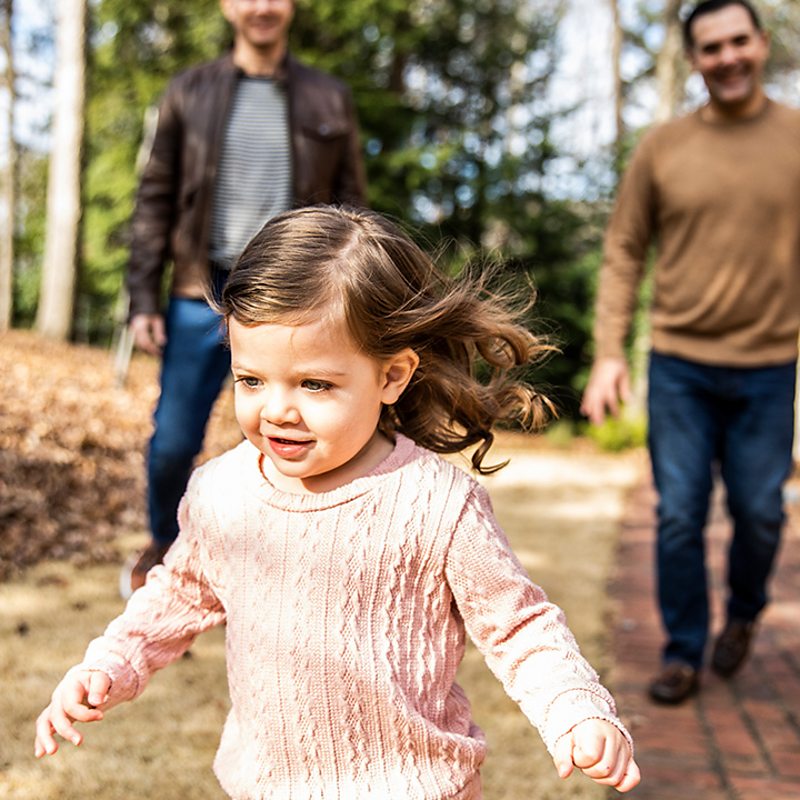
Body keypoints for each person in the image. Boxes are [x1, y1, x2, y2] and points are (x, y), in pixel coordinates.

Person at [36, 206, 641, 797]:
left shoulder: (436, 503)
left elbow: (519, 626)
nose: (277, 409)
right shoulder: (223, 491)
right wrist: (111, 662)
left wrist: (575, 710)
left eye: (314, 384)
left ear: (391, 376)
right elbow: (179, 594)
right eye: (252, 379)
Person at [581, 0, 800, 705]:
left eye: (739, 41)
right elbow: (622, 250)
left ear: (762, 45)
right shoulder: (662, 147)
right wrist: (610, 353)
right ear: (695, 58)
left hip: (770, 364)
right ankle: (682, 652)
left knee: (761, 511)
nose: (728, 57)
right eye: (711, 48)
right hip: (680, 364)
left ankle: (741, 614)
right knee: (678, 514)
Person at [121, 0, 366, 596]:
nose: (262, 7)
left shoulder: (327, 98)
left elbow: (353, 205)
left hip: (291, 294)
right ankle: (165, 546)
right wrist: (141, 300)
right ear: (229, 7)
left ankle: (258, 568)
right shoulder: (189, 91)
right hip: (196, 291)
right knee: (175, 438)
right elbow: (154, 198)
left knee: (276, 437)